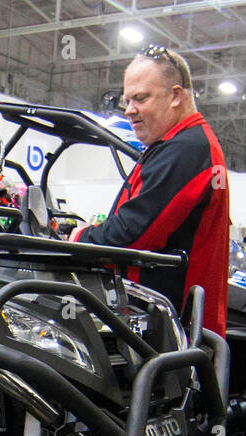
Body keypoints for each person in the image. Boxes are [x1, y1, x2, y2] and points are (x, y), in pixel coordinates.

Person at [69, 45, 230, 337]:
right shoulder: (176, 146)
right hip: (162, 323)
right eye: (127, 100)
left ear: (176, 96)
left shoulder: (187, 150)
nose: (129, 110)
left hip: (172, 329)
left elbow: (135, 234)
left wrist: (79, 239)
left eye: (140, 98)